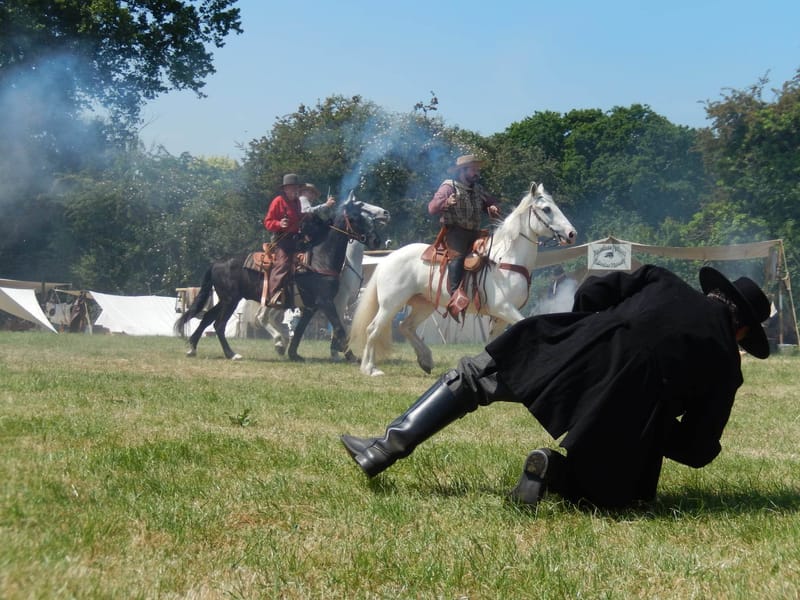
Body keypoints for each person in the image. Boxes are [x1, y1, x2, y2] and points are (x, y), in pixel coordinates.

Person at [341, 264, 771, 509]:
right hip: (627, 410)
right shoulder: (726, 365)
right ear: (743, 329)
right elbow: (696, 448)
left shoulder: (662, 279)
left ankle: (384, 448)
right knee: (611, 496)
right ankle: (551, 468)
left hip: (583, 349)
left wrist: (583, 328)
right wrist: (655, 426)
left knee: (474, 376)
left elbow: (595, 288)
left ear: (716, 295)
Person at [428, 154, 501, 295]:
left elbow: (491, 202)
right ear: (462, 170)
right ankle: (455, 294)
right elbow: (432, 208)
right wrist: (446, 202)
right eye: (473, 169)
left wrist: (493, 207)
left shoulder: (478, 189)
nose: (477, 173)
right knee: (458, 258)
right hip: (455, 232)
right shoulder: (448, 187)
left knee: (491, 254)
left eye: (477, 170)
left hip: (475, 232)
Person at [263, 173, 304, 307]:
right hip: (282, 239)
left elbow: (298, 219)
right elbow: (267, 222)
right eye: (291, 188)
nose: (294, 190)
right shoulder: (278, 201)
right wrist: (279, 224)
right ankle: (273, 295)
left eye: (296, 188)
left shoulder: (297, 202)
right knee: (283, 264)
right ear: (285, 189)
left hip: (296, 239)